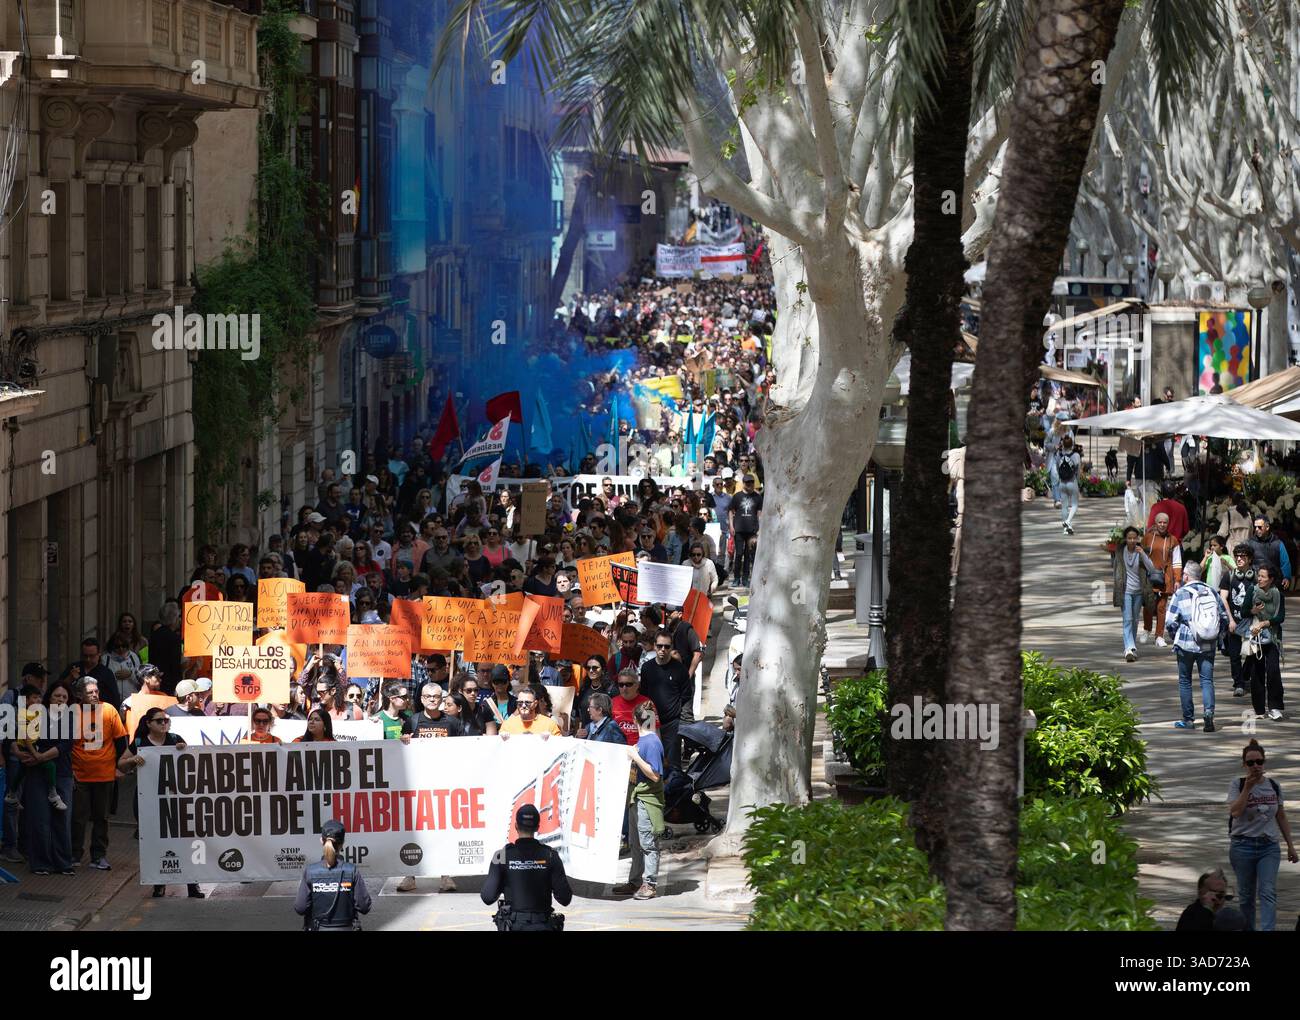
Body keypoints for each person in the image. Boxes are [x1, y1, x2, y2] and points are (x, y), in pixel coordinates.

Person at [119, 708, 204, 898]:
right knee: (154, 842)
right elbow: (121, 764)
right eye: (159, 721)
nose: (164, 724)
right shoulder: (140, 742)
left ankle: (192, 883)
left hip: (177, 800)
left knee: (185, 840)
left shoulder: (175, 739)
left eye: (166, 720)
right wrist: (133, 759)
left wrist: (184, 749)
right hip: (149, 800)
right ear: (148, 723)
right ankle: (159, 883)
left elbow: (191, 763)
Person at [1227, 739, 1298, 931]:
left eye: (1259, 762)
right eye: (1251, 763)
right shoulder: (1238, 784)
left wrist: (1291, 846)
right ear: (1244, 765)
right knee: (1246, 895)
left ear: (1264, 762)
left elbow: (1281, 816)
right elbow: (1235, 812)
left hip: (1269, 846)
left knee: (1267, 892)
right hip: (1242, 846)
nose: (1256, 766)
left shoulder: (1274, 785)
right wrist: (1248, 789)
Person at [480, 803, 573, 931]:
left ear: (516, 826)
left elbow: (487, 897)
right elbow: (565, 898)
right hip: (543, 925)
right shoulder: (551, 855)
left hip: (514, 926)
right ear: (537, 827)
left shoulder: (501, 856)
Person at [17, 680, 76, 876]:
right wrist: (26, 755)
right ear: (49, 697)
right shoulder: (36, 714)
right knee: (39, 819)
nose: (60, 699)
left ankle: (63, 863)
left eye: (64, 697)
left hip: (62, 773)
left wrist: (41, 757)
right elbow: (20, 738)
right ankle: (41, 863)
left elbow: (65, 744)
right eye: (57, 695)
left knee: (62, 819)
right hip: (36, 772)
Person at [70, 678, 129, 871]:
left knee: (101, 818)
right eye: (90, 693)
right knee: (78, 818)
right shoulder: (72, 713)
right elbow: (66, 745)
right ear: (80, 695)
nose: (95, 695)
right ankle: (74, 854)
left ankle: (99, 856)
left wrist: (120, 767)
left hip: (105, 774)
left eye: (96, 691)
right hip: (80, 775)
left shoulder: (109, 710)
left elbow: (121, 740)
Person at [1164, 561, 1226, 732]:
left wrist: (1174, 635)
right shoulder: (1211, 591)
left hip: (1186, 643)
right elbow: (1223, 617)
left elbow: (1170, 621)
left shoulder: (1180, 593)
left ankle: (1189, 719)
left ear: (1186, 576)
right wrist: (1218, 637)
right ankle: (1208, 713)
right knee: (1207, 680)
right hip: (1208, 643)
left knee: (1185, 681)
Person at [613, 703, 666, 900]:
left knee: (648, 844)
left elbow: (654, 775)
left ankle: (649, 883)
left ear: (635, 720)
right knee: (636, 844)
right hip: (637, 799)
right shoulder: (645, 741)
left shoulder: (651, 742)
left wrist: (635, 756)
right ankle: (635, 881)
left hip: (647, 800)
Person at [295, 820, 372, 931]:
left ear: (321, 841)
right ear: (342, 844)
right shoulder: (351, 870)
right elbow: (364, 906)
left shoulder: (311, 871)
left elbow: (300, 908)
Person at [639, 634, 692, 771]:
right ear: (654, 646)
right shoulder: (646, 668)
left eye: (667, 646)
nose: (663, 649)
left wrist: (682, 718)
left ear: (672, 647)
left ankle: (673, 791)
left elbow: (686, 695)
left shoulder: (679, 669)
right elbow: (643, 694)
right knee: (650, 761)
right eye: (659, 646)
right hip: (649, 721)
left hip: (672, 723)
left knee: (673, 764)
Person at [1246, 564, 1286, 720]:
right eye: (1259, 576)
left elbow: (1280, 617)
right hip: (1256, 638)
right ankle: (1259, 709)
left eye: (1263, 576)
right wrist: (1253, 612)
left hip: (1274, 638)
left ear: (1271, 579)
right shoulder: (1252, 591)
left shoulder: (1278, 595)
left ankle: (1275, 707)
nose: (1259, 579)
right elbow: (1244, 612)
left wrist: (1264, 623)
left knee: (1274, 672)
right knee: (1257, 673)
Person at [1112, 526, 1155, 663]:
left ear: (1138, 539)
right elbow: (1115, 570)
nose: (1132, 540)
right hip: (1125, 591)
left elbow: (1152, 568)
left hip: (1139, 591)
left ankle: (1131, 646)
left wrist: (1142, 553)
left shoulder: (1141, 551)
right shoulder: (1120, 552)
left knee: (1135, 620)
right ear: (1125, 538)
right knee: (1128, 619)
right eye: (1129, 538)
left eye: (1134, 538)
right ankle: (1129, 648)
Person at [1220, 544, 1257, 700]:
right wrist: (1230, 619)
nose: (1239, 558)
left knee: (1252, 653)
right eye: (1237, 556)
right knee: (1234, 654)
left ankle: (1245, 676)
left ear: (1249, 559)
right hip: (1234, 620)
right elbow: (1223, 598)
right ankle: (1239, 684)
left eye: (1243, 556)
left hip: (1251, 620)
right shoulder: (1229, 576)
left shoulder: (1255, 576)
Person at [1142, 513, 1182, 646]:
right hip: (1149, 576)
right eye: (1160, 522)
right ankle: (1147, 629)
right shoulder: (1147, 538)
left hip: (1165, 577)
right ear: (1156, 522)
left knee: (1161, 607)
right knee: (1148, 605)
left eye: (1165, 522)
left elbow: (1177, 561)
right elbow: (1141, 556)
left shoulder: (1173, 540)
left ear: (1168, 523)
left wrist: (1177, 579)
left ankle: (1159, 635)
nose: (1162, 525)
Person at [729, 475, 762, 587]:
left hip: (752, 530)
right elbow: (731, 511)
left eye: (751, 482)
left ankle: (745, 579)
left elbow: (759, 514)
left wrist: (760, 528)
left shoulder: (757, 497)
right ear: (743, 483)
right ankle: (736, 578)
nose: (749, 484)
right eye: (747, 482)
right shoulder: (737, 496)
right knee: (738, 554)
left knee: (748, 555)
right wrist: (731, 526)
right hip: (739, 529)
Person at [1248, 516, 1292, 591]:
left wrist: (1286, 577)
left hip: (1274, 583)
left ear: (1267, 527)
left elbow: (1285, 562)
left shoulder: (1278, 543)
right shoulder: (1249, 543)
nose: (1256, 529)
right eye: (1255, 527)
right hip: (1256, 582)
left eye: (1259, 527)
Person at [1056, 434, 1082, 535]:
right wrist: (1078, 481)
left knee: (1064, 506)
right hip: (1072, 481)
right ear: (1072, 445)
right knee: (1074, 505)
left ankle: (1066, 528)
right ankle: (1068, 521)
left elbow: (1057, 469)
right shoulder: (1076, 456)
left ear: (1062, 445)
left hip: (1062, 483)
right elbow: (1078, 471)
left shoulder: (1058, 455)